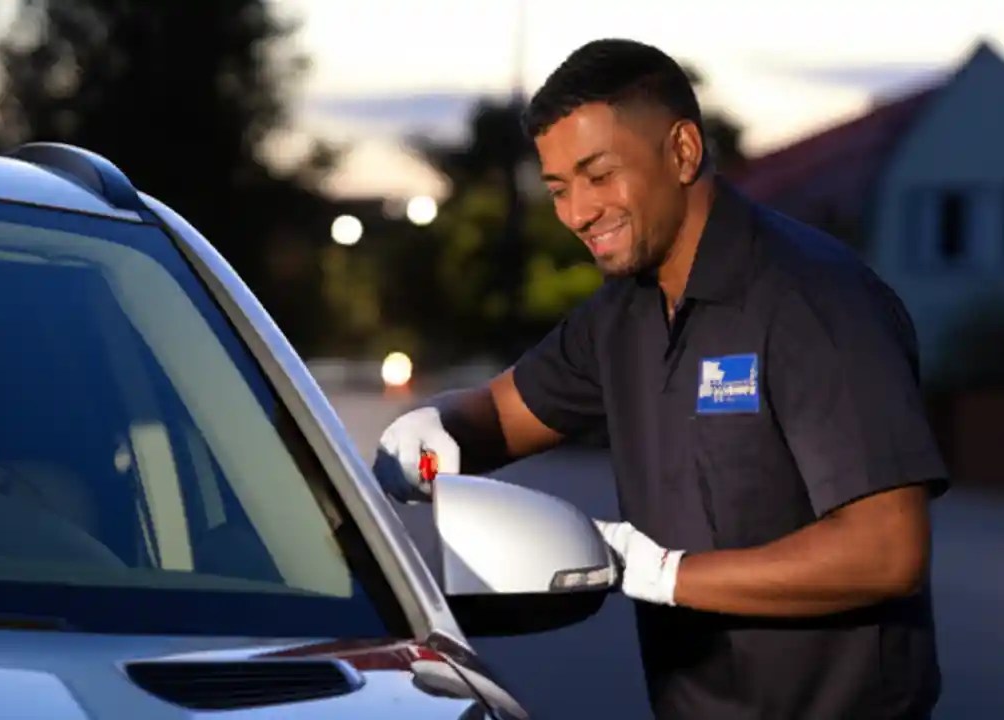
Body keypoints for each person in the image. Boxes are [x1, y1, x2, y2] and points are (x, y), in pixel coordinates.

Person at [374, 37, 950, 720]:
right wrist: (431, 429)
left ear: (681, 151)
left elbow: (885, 551)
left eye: (598, 174)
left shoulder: (813, 301)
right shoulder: (624, 312)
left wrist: (664, 574)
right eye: (558, 188)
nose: (577, 212)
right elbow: (498, 415)